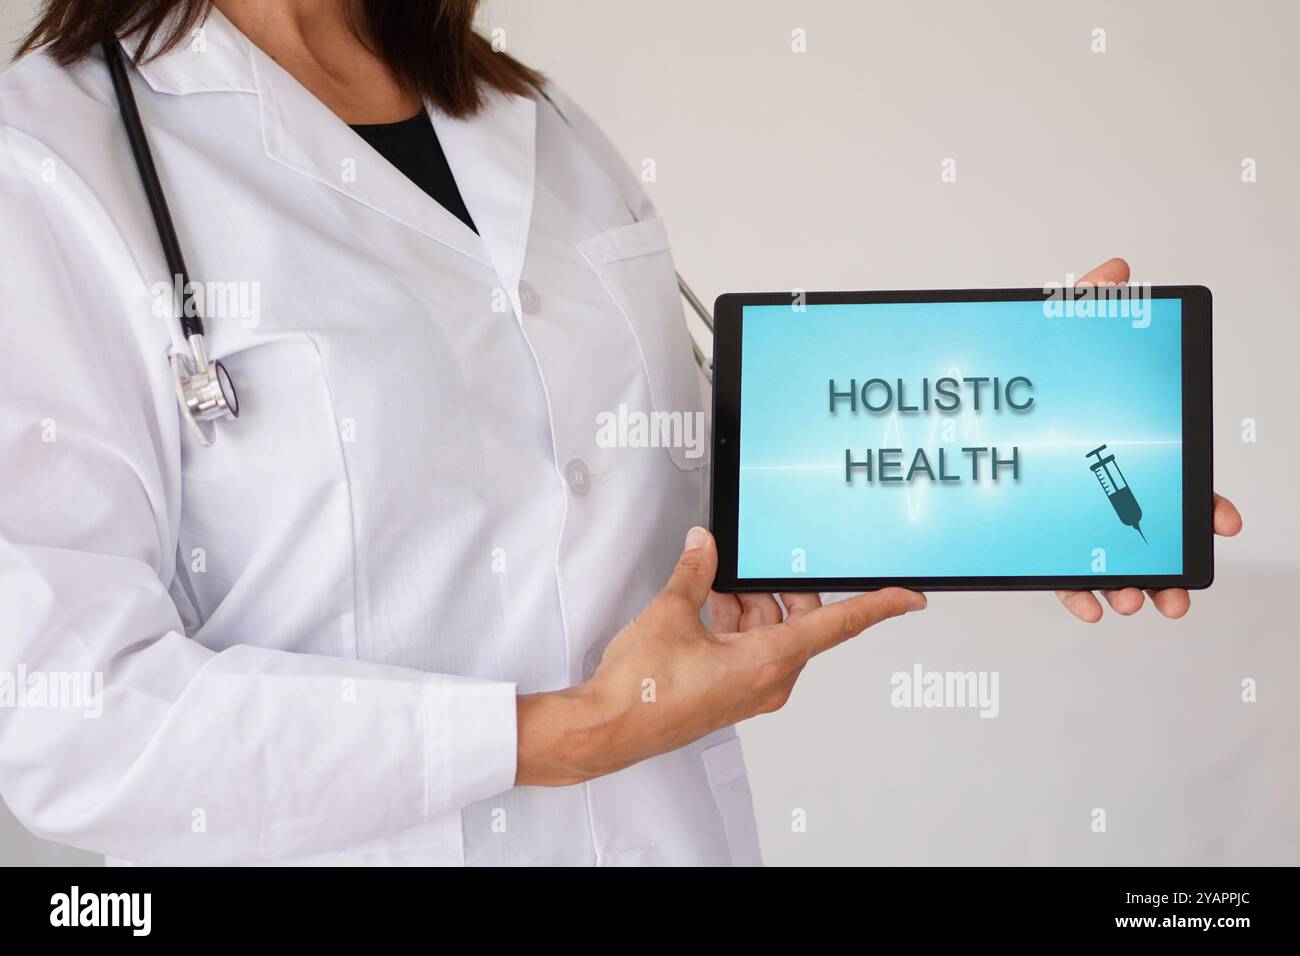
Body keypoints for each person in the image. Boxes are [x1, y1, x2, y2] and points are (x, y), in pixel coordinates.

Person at [0, 0, 1242, 866]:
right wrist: (556, 739)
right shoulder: (50, 162)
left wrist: (1028, 458)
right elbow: (68, 714)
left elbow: (676, 494)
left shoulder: (526, 115)